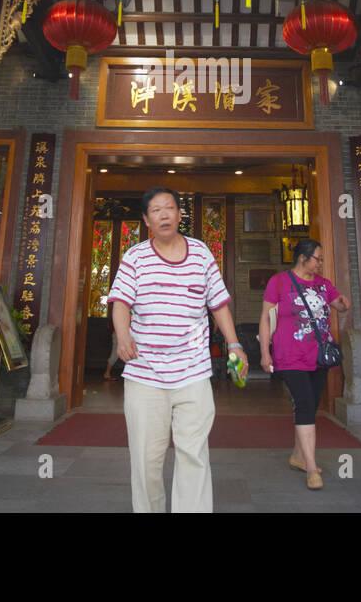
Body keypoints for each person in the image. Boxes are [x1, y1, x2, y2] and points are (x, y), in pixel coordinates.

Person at [108, 187, 247, 513]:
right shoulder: (135, 257)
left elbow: (219, 305)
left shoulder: (201, 254)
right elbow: (120, 303)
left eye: (170, 208)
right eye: (156, 210)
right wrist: (123, 335)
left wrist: (236, 344)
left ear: (180, 214)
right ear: (146, 220)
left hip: (193, 371)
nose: (164, 214)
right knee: (145, 460)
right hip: (145, 374)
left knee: (193, 453)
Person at [258, 238, 350, 491]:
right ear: (303, 258)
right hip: (290, 356)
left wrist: (342, 304)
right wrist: (265, 353)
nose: (321, 263)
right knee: (306, 404)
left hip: (319, 356)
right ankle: (311, 467)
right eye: (317, 259)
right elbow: (265, 320)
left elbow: (337, 306)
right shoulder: (279, 282)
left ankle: (298, 455)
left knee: (307, 404)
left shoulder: (324, 284)